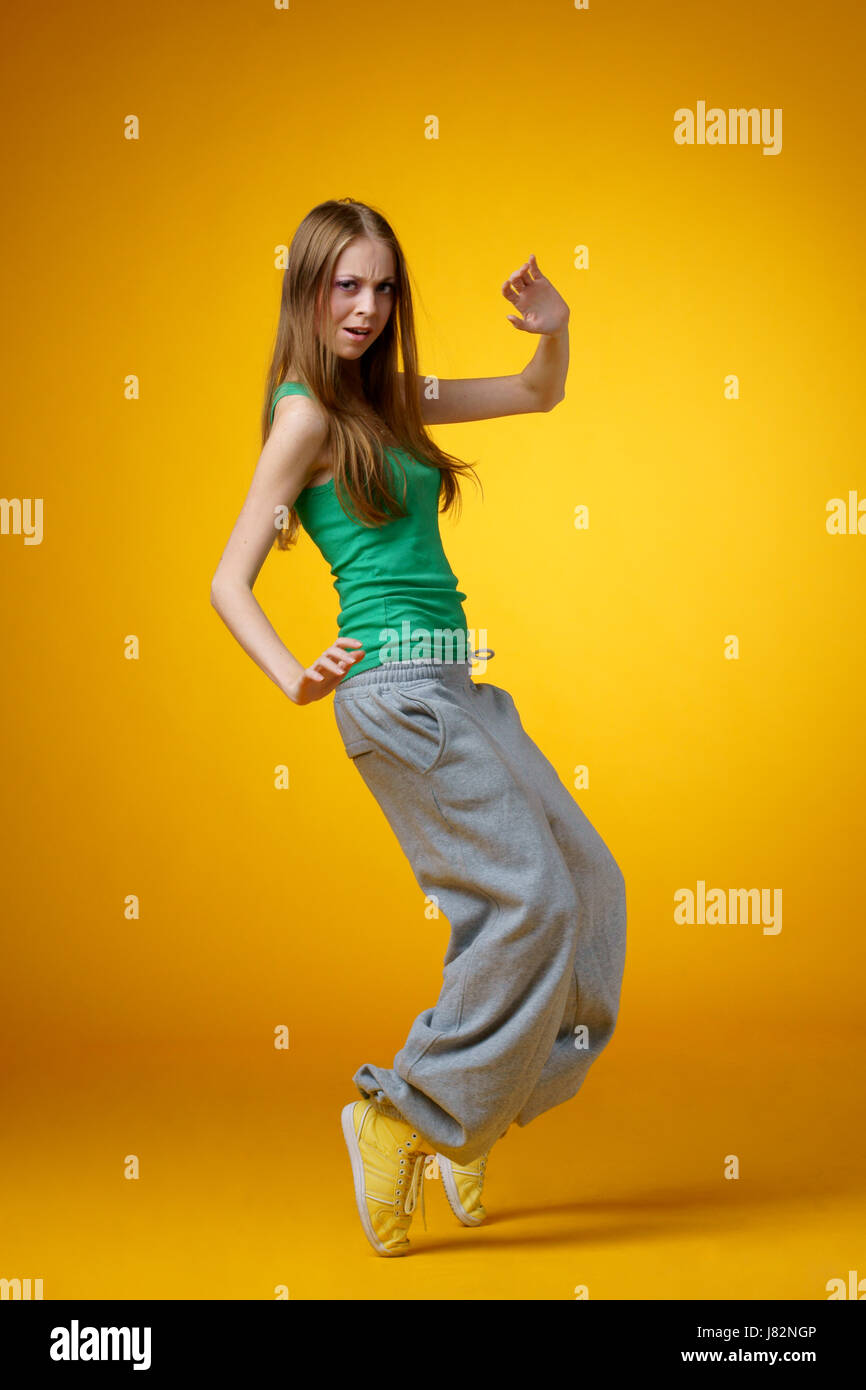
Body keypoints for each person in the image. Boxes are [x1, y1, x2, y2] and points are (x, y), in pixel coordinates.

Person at [210, 198, 627, 1258]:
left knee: (587, 887)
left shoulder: (397, 398)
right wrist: (291, 676)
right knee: (527, 900)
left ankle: (472, 1112)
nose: (365, 306)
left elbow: (539, 391)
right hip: (393, 697)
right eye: (344, 284)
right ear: (306, 290)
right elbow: (229, 577)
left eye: (382, 286)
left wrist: (554, 324)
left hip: (459, 688)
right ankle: (404, 1117)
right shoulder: (302, 416)